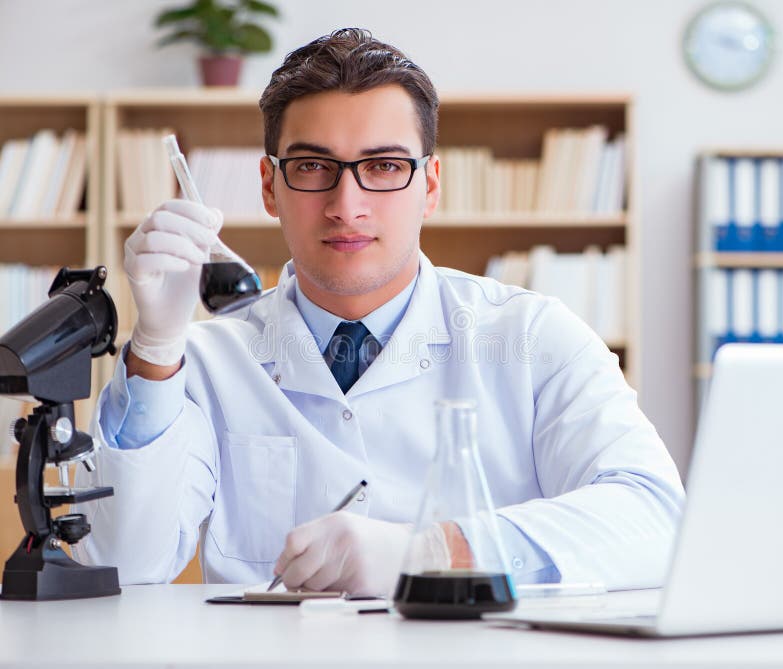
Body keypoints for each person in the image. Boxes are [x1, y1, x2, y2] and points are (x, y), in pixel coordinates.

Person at [75, 28, 684, 596]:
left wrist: (441, 553)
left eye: (385, 167)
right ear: (269, 186)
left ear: (431, 185)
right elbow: (122, 563)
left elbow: (655, 518)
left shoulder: (533, 336)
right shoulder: (207, 361)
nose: (348, 205)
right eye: (313, 167)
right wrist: (155, 348)